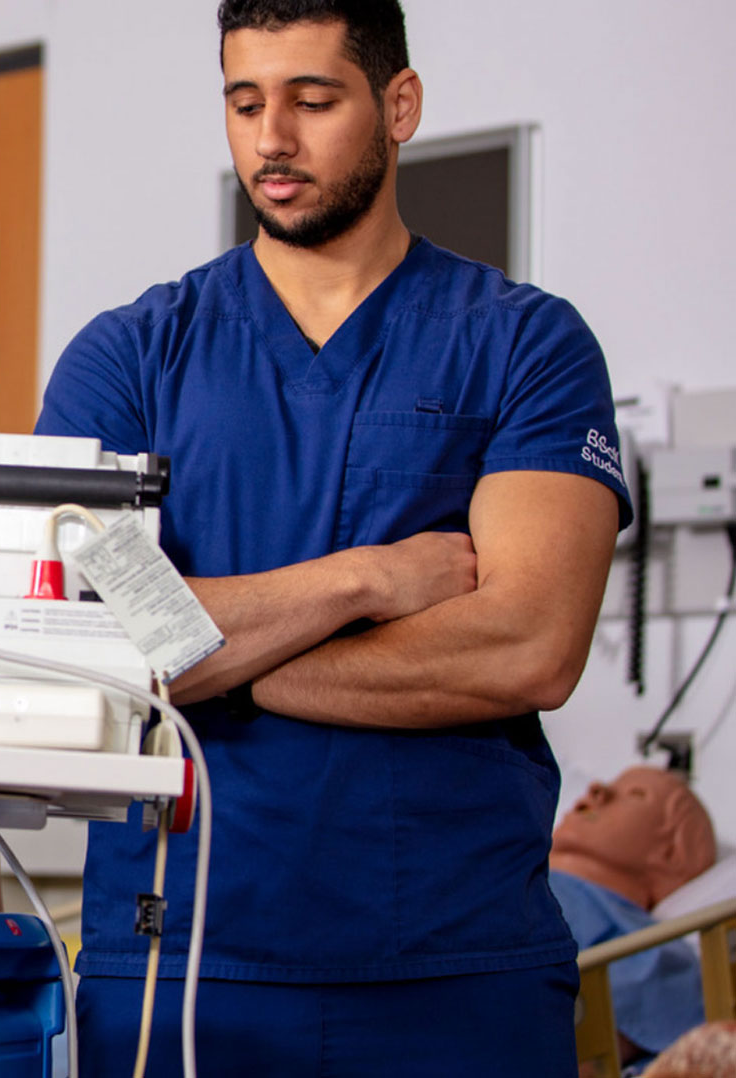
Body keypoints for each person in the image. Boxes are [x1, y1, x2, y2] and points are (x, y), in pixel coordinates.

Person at [35, 0, 631, 1072]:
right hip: (178, 964)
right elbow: (90, 650)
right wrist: (368, 578)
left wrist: (218, 663)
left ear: (397, 105)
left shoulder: (521, 345)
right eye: (244, 101)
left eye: (312, 100)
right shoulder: (126, 359)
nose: (271, 139)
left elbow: (527, 647)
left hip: (453, 968)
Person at [551, 766, 718, 1062]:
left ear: (672, 852)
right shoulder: (501, 870)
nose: (596, 791)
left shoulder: (652, 952)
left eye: (635, 794)